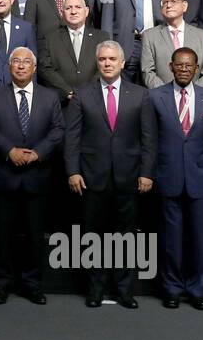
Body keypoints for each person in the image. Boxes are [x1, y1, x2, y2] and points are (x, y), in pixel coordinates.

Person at [65, 40, 157, 307]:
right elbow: (72, 138)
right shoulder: (83, 94)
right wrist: (72, 171)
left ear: (122, 63)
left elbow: (149, 139)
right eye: (103, 59)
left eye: (112, 59)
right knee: (93, 237)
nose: (107, 63)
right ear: (98, 62)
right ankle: (95, 290)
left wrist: (147, 173)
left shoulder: (141, 95)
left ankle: (124, 290)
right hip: (92, 178)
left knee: (126, 238)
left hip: (129, 178)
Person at [0, 47, 64, 304]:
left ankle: (32, 284)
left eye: (26, 62)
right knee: (1, 236)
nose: (21, 66)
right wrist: (9, 151)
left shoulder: (50, 98)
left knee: (34, 236)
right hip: (5, 176)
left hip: (37, 176)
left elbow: (58, 129)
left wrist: (38, 153)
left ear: (34, 67)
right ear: (9, 66)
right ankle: (1, 285)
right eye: (16, 61)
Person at [149, 48, 203, 310]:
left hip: (200, 178)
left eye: (189, 65)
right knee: (170, 238)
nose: (184, 69)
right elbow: (150, 139)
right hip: (168, 176)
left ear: (197, 68)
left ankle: (198, 289)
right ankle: (172, 289)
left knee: (200, 239)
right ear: (171, 66)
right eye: (179, 65)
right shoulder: (155, 97)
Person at [38, 0, 109, 103]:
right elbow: (45, 69)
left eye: (78, 7)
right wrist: (67, 91)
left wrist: (88, 92)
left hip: (95, 99)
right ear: (62, 13)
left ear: (86, 11)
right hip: (62, 101)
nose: (73, 11)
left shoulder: (102, 37)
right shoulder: (49, 39)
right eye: (68, 8)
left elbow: (105, 66)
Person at [139, 0, 203, 89]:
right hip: (163, 98)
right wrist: (166, 94)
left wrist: (192, 95)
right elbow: (147, 72)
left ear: (184, 6)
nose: (168, 5)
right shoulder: (149, 36)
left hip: (194, 99)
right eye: (165, 2)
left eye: (173, 1)